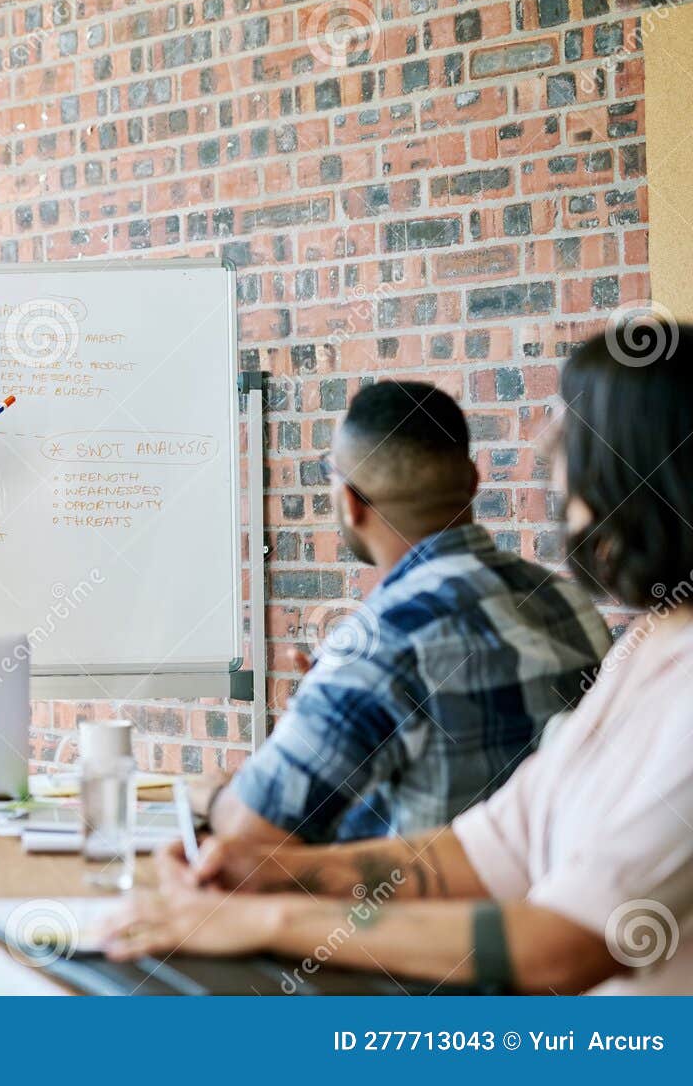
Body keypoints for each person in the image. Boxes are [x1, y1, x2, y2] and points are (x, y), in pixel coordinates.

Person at [100, 323, 693, 994]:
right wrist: (273, 873)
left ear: (645, 477)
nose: (550, 470)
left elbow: (567, 945)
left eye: (569, 447)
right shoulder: (639, 644)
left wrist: (269, 917)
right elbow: (497, 845)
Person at [199, 380, 609, 844]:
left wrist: (211, 797)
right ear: (473, 483)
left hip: (409, 910)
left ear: (350, 504)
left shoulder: (374, 647)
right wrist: (339, 709)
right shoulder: (572, 606)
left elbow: (253, 833)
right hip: (546, 902)